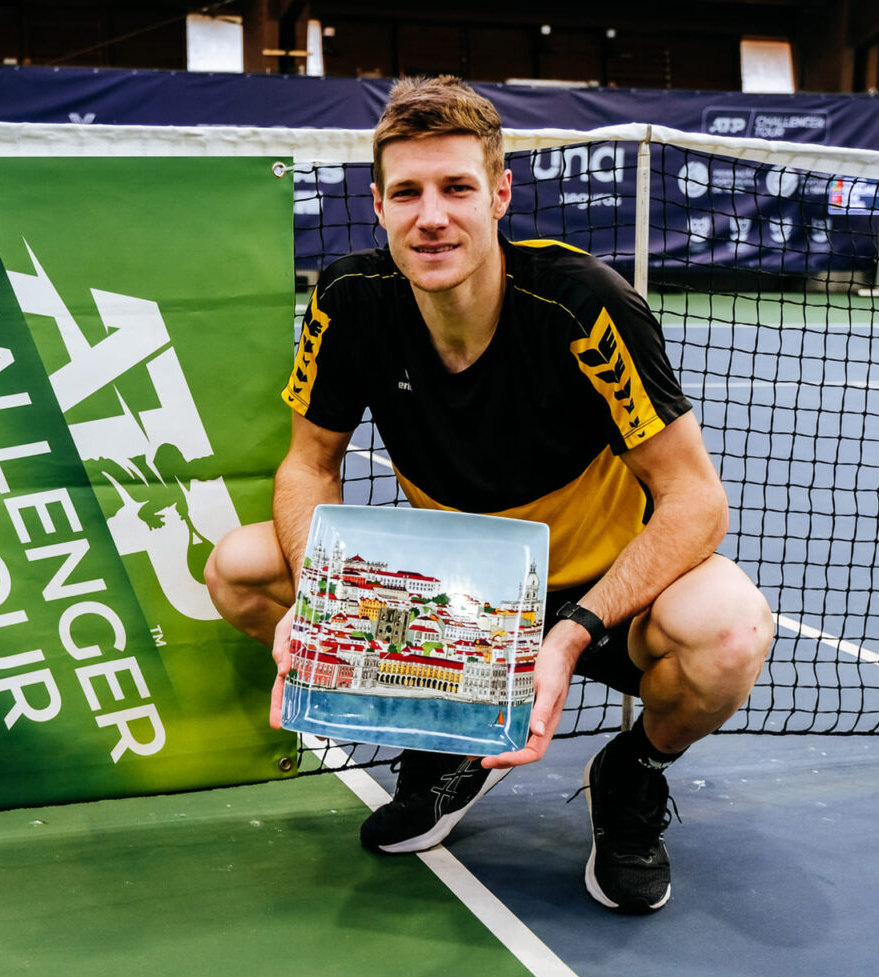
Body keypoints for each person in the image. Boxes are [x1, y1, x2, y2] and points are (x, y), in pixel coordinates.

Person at [204, 75, 774, 914]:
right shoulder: (349, 302)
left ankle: (632, 771)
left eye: (457, 188)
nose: (432, 215)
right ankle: (453, 741)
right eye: (408, 192)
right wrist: (318, 598)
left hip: (602, 592)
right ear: (379, 205)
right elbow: (307, 465)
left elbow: (697, 502)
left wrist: (572, 637)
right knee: (241, 567)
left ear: (500, 193)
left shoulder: (585, 307)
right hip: (461, 600)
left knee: (728, 633)